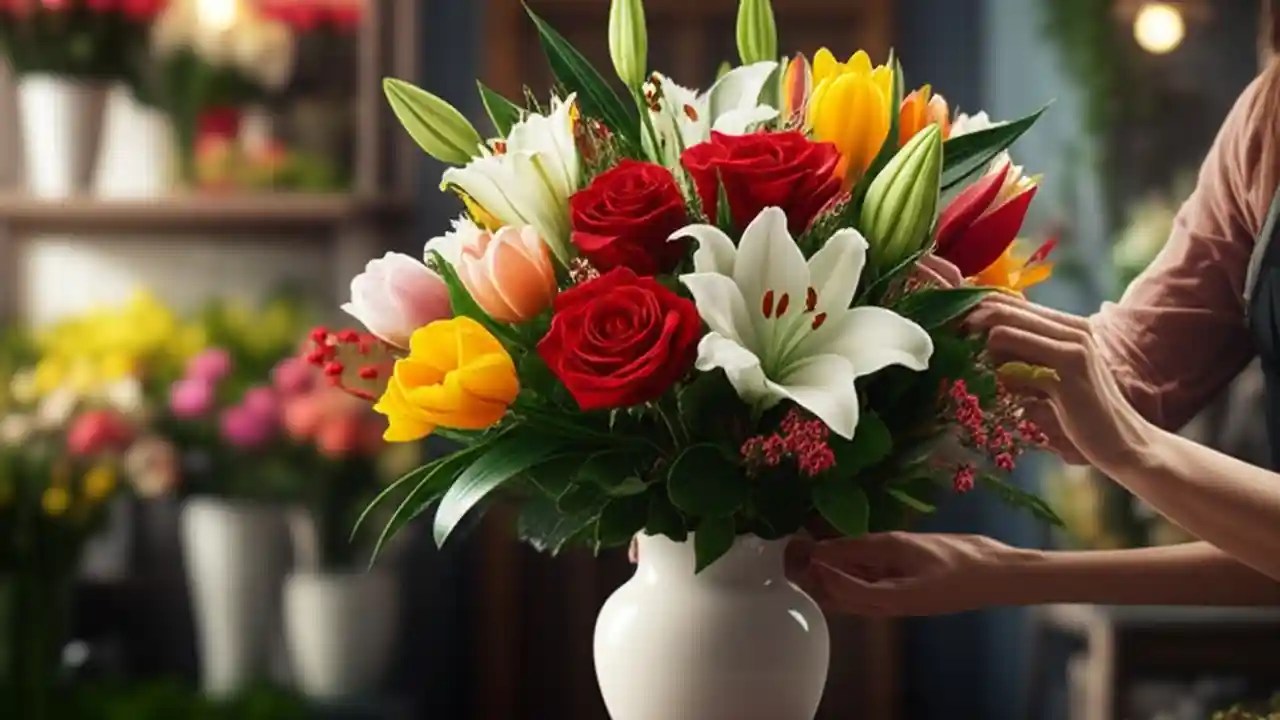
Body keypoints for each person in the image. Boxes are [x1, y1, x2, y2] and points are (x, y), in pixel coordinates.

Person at [787, 60, 1280, 616]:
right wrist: (1009, 572)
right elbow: (1125, 375)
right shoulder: (1268, 119)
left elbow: (1117, 420)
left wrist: (1135, 449)